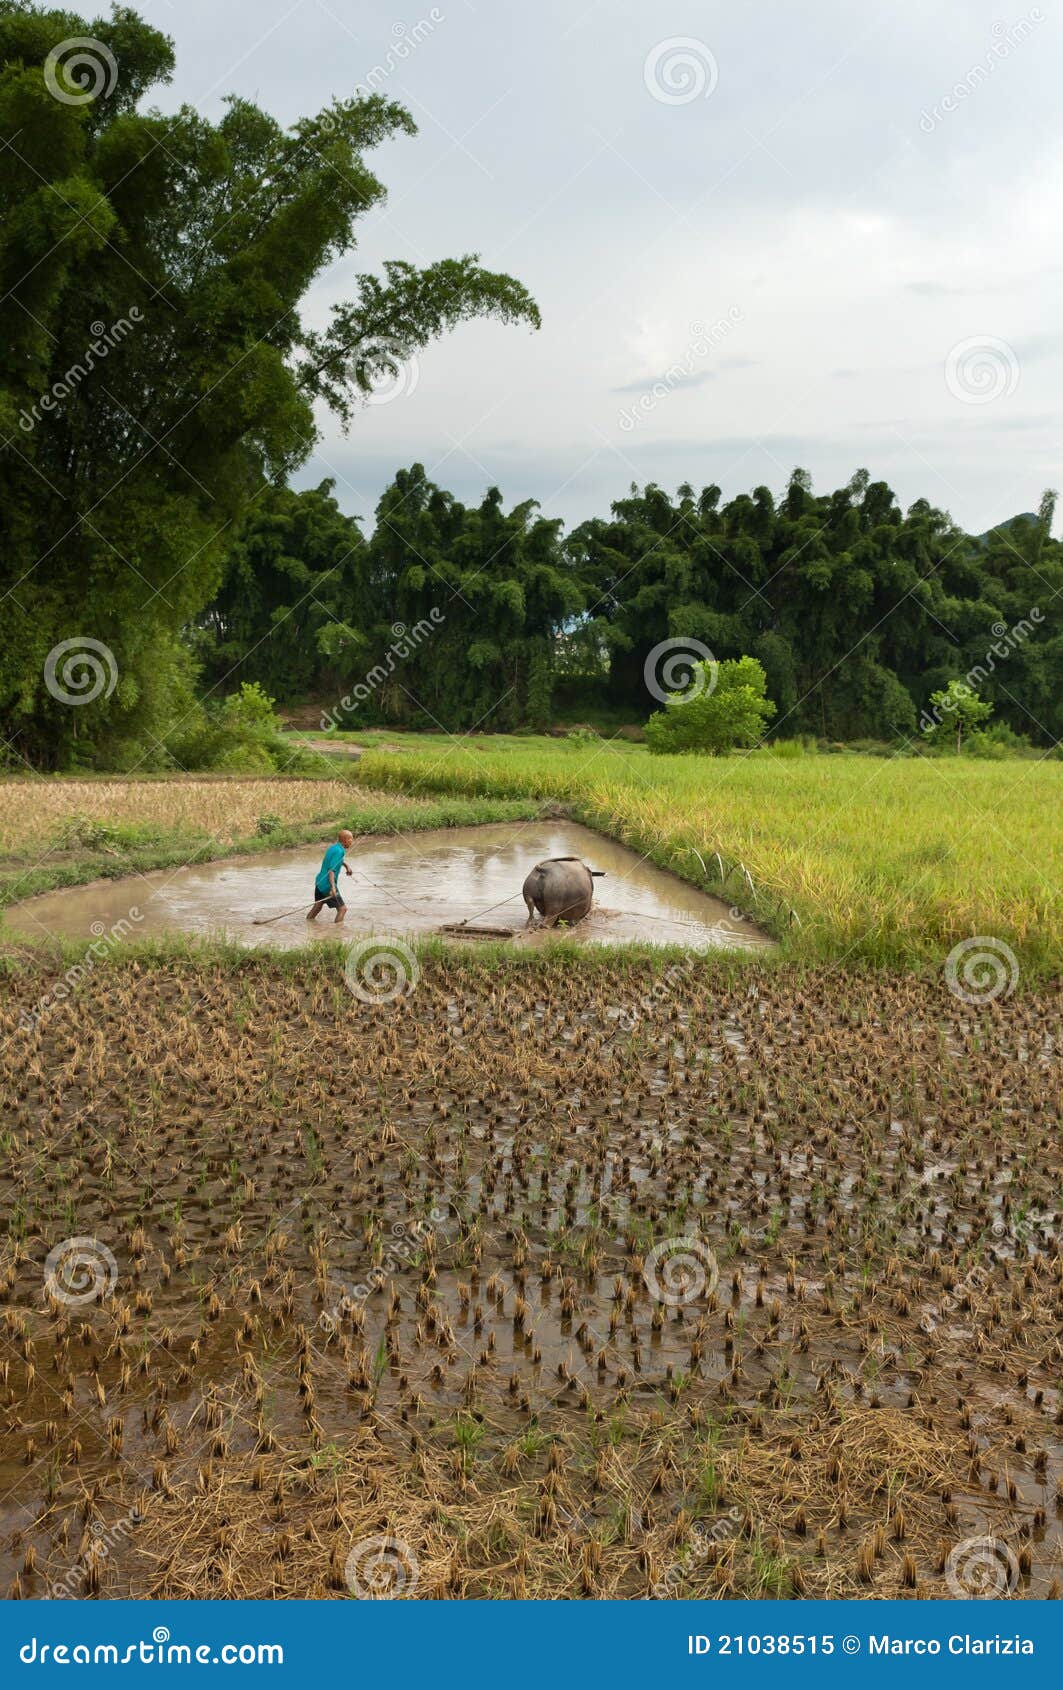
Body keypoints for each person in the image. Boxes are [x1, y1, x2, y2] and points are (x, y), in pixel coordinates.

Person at [307, 829, 355, 923]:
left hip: (320, 882)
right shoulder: (340, 851)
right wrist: (333, 888)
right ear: (345, 840)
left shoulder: (334, 847)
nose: (352, 841)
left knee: (317, 906)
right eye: (351, 839)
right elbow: (331, 871)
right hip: (327, 885)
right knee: (342, 909)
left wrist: (346, 866)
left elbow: (333, 861)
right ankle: (337, 933)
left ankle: (308, 925)